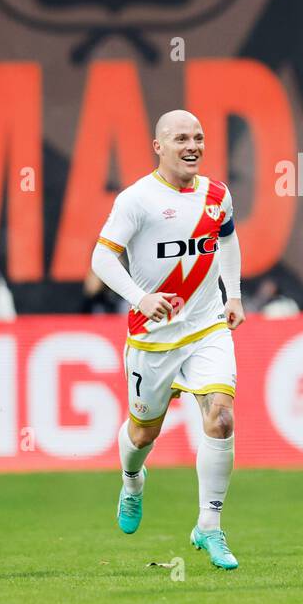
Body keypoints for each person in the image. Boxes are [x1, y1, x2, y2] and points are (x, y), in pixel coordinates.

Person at [90, 110, 245, 570]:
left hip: (206, 327)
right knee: (143, 433)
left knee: (220, 418)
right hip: (153, 339)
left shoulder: (217, 194)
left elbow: (228, 240)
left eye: (198, 137)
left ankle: (209, 527)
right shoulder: (137, 199)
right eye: (180, 139)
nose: (192, 145)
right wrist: (140, 298)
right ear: (158, 146)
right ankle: (132, 481)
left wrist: (232, 295)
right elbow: (102, 257)